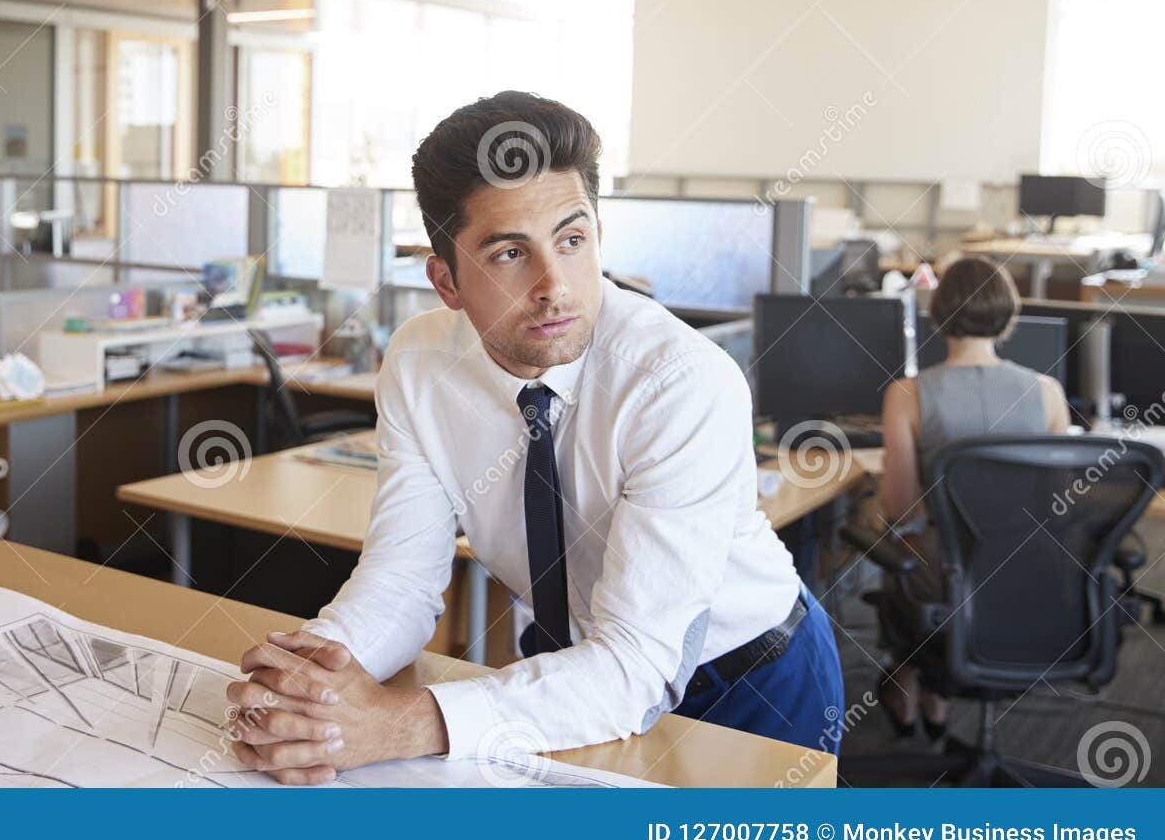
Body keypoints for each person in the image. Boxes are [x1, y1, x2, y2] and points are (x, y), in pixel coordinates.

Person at [224, 91, 843, 784]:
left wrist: (394, 721)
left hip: (748, 683)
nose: (556, 285)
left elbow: (637, 664)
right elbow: (402, 578)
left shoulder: (679, 382)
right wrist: (311, 676)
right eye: (510, 252)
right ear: (445, 281)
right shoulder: (420, 361)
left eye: (573, 240)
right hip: (570, 675)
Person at [874, 255, 1070, 738]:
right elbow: (1060, 505)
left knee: (895, 544)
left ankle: (911, 678)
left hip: (948, 574)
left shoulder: (908, 394)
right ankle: (932, 688)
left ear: (938, 316)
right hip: (1032, 573)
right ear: (1009, 316)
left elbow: (901, 510)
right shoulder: (1047, 392)